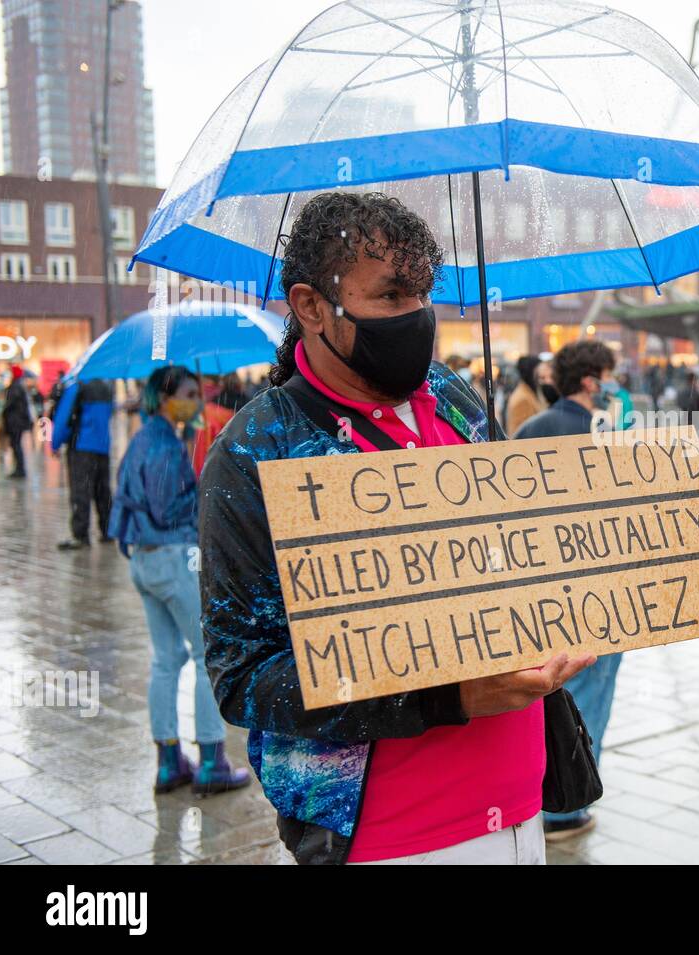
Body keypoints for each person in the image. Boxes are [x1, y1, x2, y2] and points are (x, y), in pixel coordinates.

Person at [200, 192, 594, 865]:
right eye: (389, 296)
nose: (416, 316)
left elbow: (510, 555)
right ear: (311, 306)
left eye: (422, 292)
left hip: (524, 805)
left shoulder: (458, 399)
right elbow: (245, 677)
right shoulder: (257, 449)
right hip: (391, 837)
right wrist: (447, 695)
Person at [108, 366, 251, 796]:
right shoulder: (164, 446)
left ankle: (169, 760)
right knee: (209, 657)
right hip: (172, 557)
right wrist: (205, 487)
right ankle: (211, 760)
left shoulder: (144, 438)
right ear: (165, 398)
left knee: (166, 660)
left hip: (145, 560)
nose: (194, 401)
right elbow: (170, 509)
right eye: (188, 394)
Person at [515, 340, 620, 843]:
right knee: (591, 696)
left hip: (542, 590)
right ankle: (566, 804)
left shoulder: (530, 429)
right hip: (602, 590)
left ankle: (539, 792)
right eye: (609, 375)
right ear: (591, 379)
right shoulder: (611, 434)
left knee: (547, 693)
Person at [51, 375, 115, 549]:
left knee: (81, 491)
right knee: (103, 490)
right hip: (103, 445)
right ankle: (108, 530)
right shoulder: (107, 386)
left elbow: (63, 416)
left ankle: (81, 535)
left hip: (81, 446)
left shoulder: (77, 386)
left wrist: (55, 443)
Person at [0, 365, 33, 478]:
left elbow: (10, 404)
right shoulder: (18, 386)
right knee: (16, 445)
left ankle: (20, 470)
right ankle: (19, 469)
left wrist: (3, 412)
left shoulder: (16, 387)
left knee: (16, 445)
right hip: (17, 422)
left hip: (15, 422)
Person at [505, 355, 547, 435]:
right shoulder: (523, 398)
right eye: (539, 372)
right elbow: (522, 433)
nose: (541, 376)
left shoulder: (527, 392)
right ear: (532, 372)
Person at [675, 370, 699, 441]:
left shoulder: (681, 392)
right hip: (696, 419)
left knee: (685, 442)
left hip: (684, 418)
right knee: (696, 443)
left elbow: (678, 403)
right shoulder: (697, 393)